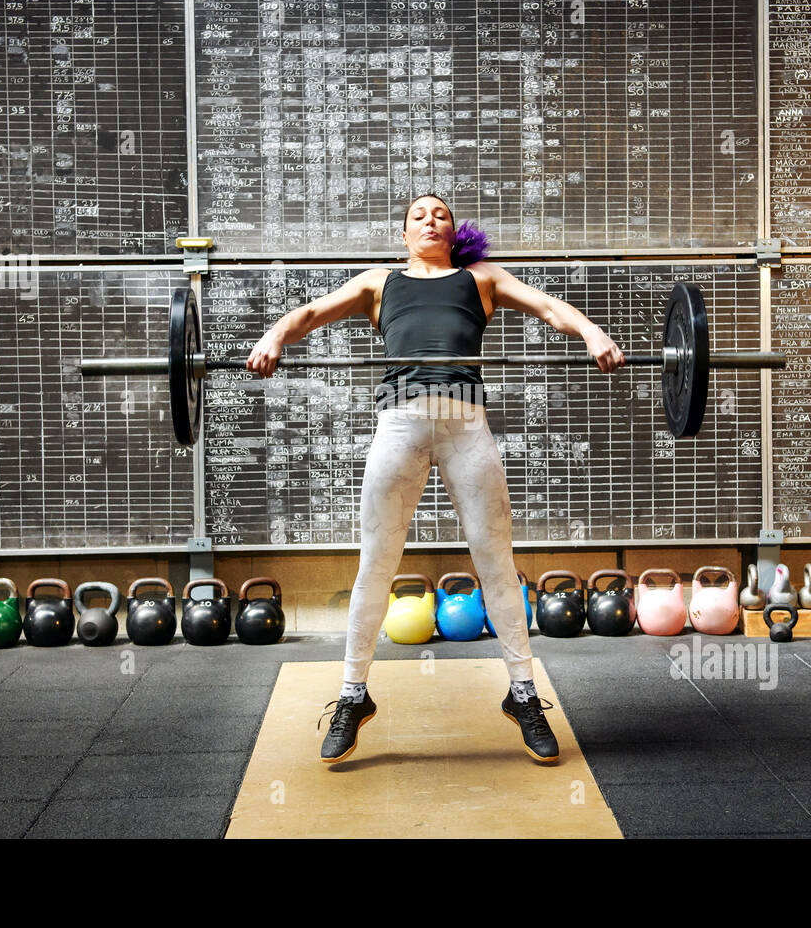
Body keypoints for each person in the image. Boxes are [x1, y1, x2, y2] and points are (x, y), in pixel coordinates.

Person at [246, 194, 625, 764]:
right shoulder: (379, 282)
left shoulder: (482, 279)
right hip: (398, 426)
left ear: (454, 230)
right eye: (419, 215)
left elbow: (550, 308)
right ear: (403, 234)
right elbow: (308, 314)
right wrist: (274, 337)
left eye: (441, 214)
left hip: (466, 425)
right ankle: (353, 695)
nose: (430, 220)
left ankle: (523, 694)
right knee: (375, 562)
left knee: (494, 560)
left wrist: (593, 334)